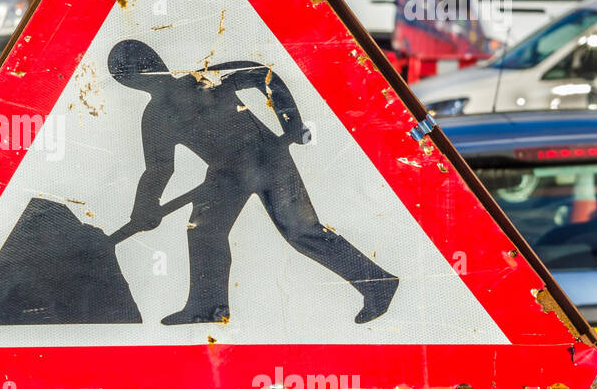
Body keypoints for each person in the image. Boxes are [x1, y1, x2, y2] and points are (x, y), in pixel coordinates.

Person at [108, 39, 399, 326]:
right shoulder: (156, 117)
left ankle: (378, 283)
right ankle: (209, 307)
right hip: (225, 173)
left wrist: (291, 124)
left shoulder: (202, 80)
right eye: (134, 74)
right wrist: (144, 207)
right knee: (204, 232)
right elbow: (159, 169)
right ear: (130, 83)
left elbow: (262, 73)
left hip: (266, 157)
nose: (143, 76)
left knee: (301, 231)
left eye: (141, 69)